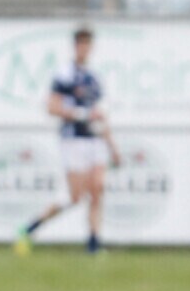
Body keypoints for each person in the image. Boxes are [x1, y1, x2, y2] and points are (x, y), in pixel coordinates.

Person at [16, 26, 120, 256]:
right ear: (75, 46)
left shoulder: (94, 79)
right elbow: (52, 107)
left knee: (98, 188)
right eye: (81, 44)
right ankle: (30, 227)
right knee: (75, 196)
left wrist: (113, 147)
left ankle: (94, 244)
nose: (85, 48)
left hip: (95, 141)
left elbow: (101, 115)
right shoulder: (64, 75)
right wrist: (82, 114)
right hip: (73, 140)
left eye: (88, 44)